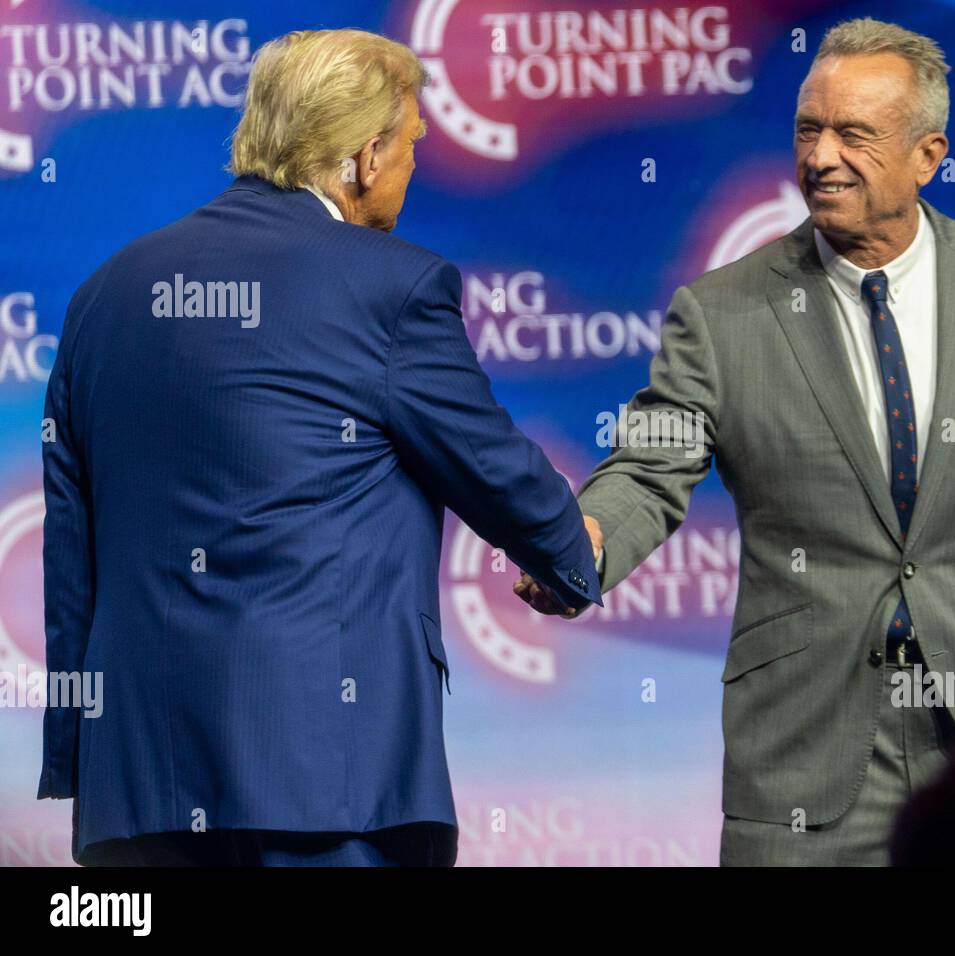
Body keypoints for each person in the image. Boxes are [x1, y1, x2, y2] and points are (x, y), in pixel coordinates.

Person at [516, 16, 955, 865]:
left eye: (853, 134)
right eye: (807, 131)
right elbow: (646, 468)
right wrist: (582, 545)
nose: (820, 157)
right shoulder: (721, 314)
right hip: (804, 756)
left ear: (928, 155)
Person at [40, 28, 599, 866]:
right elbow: (493, 468)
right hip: (323, 794)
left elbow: (71, 564)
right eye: (411, 144)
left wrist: (79, 762)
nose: (412, 168)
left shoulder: (102, 297)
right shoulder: (390, 286)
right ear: (367, 156)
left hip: (137, 796)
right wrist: (570, 552)